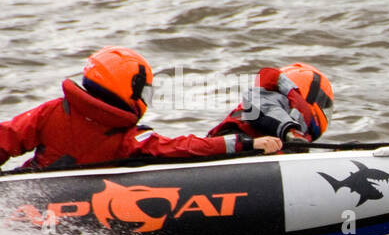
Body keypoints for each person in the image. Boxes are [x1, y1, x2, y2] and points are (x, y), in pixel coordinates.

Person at [0, 47, 281, 171]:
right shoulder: (128, 137)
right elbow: (184, 147)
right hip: (62, 205)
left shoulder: (53, 111)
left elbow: (7, 137)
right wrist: (245, 143)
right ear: (128, 86)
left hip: (30, 193)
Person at [209, 62, 332, 145]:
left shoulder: (296, 126)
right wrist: (289, 130)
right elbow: (262, 105)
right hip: (236, 146)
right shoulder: (271, 99)